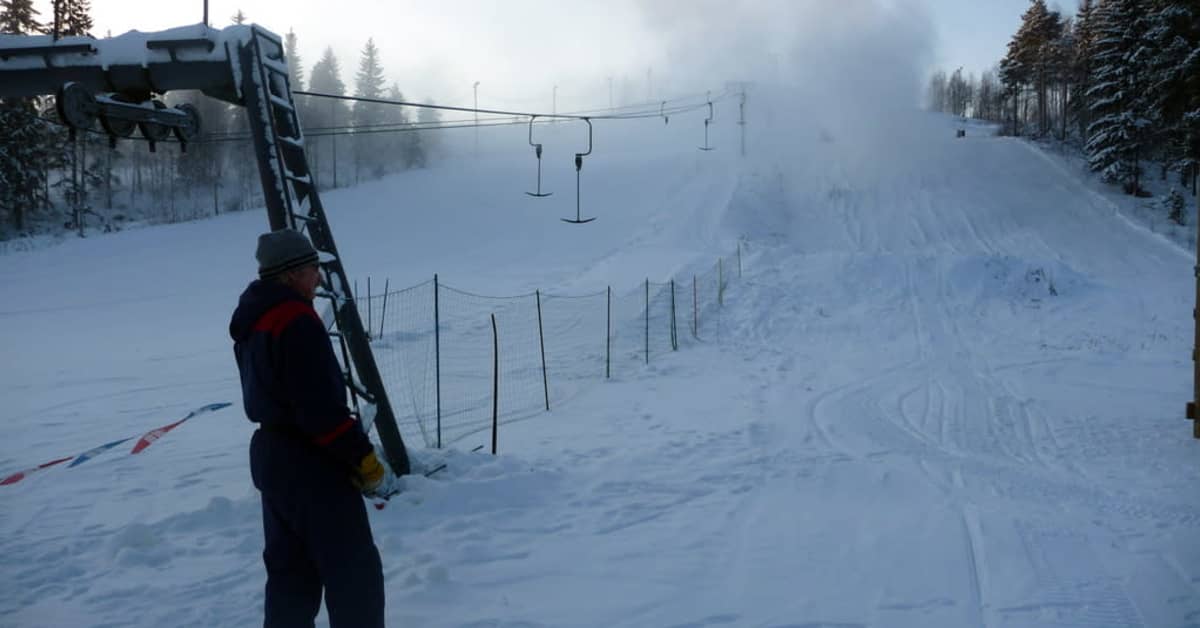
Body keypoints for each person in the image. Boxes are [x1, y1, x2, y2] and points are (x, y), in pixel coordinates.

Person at [229, 228, 399, 628]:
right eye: (311, 269)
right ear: (290, 274)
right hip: (311, 462)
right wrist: (361, 456)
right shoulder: (295, 320)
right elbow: (318, 409)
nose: (318, 278)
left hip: (273, 459)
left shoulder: (254, 320)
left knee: (292, 576)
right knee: (353, 574)